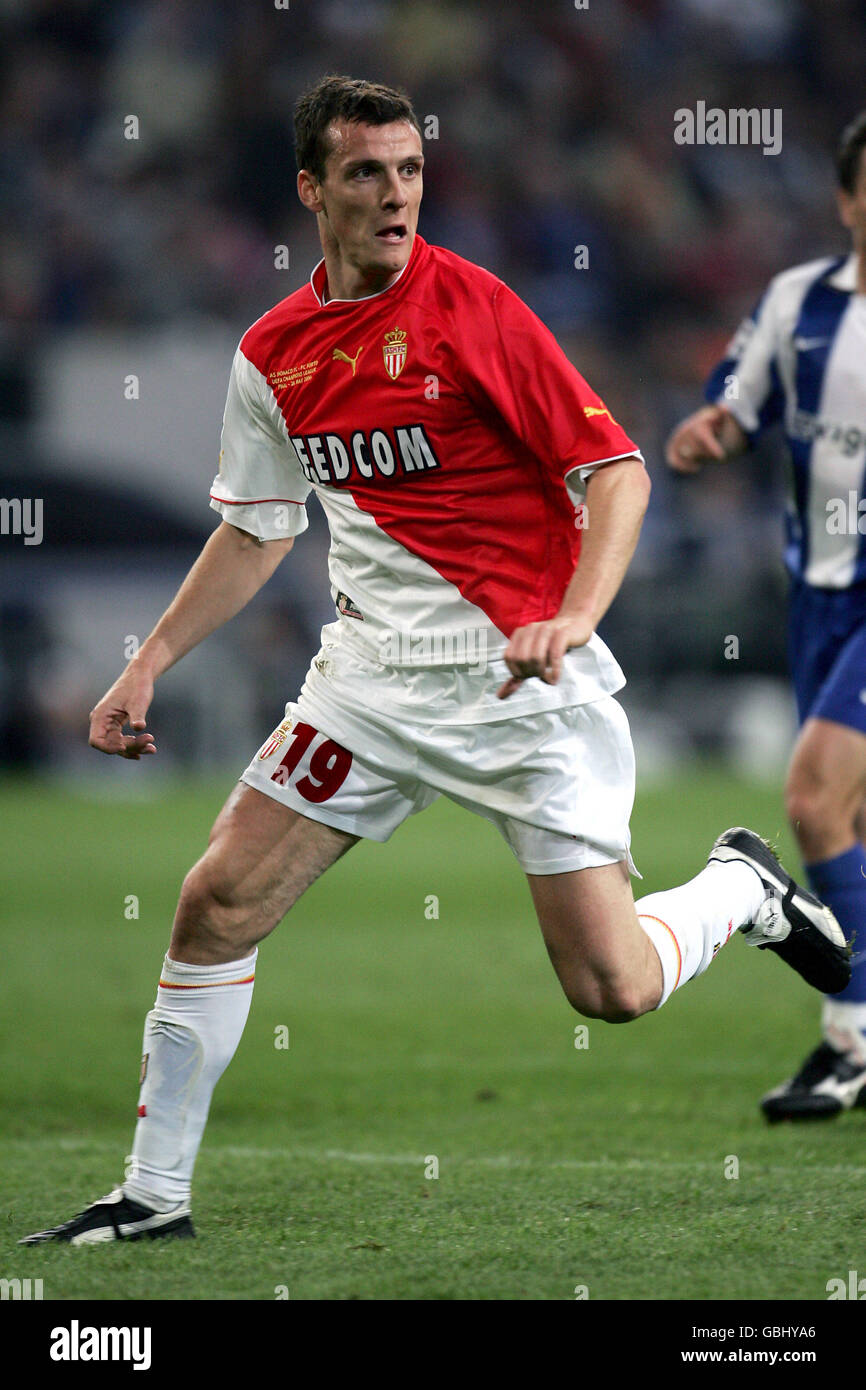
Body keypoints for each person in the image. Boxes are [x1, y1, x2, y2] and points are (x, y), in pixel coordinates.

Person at [22, 76, 849, 1245]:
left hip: (519, 682)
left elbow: (614, 472)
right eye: (365, 173)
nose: (395, 194)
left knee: (609, 989)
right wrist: (146, 660)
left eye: (409, 170)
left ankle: (740, 890)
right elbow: (259, 526)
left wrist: (570, 613)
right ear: (311, 190)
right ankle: (152, 1197)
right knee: (213, 902)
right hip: (364, 682)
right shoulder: (273, 353)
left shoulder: (473, 312)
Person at [666, 112, 866, 1122]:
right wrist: (707, 434)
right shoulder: (797, 301)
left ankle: (848, 1034)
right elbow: (732, 406)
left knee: (810, 798)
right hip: (817, 595)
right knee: (853, 818)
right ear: (845, 199)